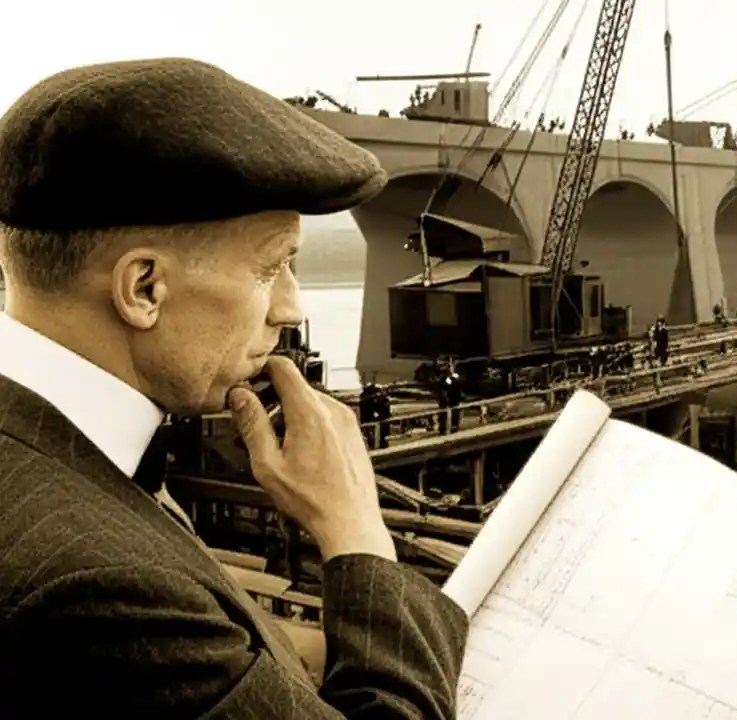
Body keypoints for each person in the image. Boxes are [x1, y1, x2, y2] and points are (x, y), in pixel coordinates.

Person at [0, 58, 467, 717]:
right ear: (144, 289)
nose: (292, 308)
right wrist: (355, 529)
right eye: (270, 266)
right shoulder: (105, 589)